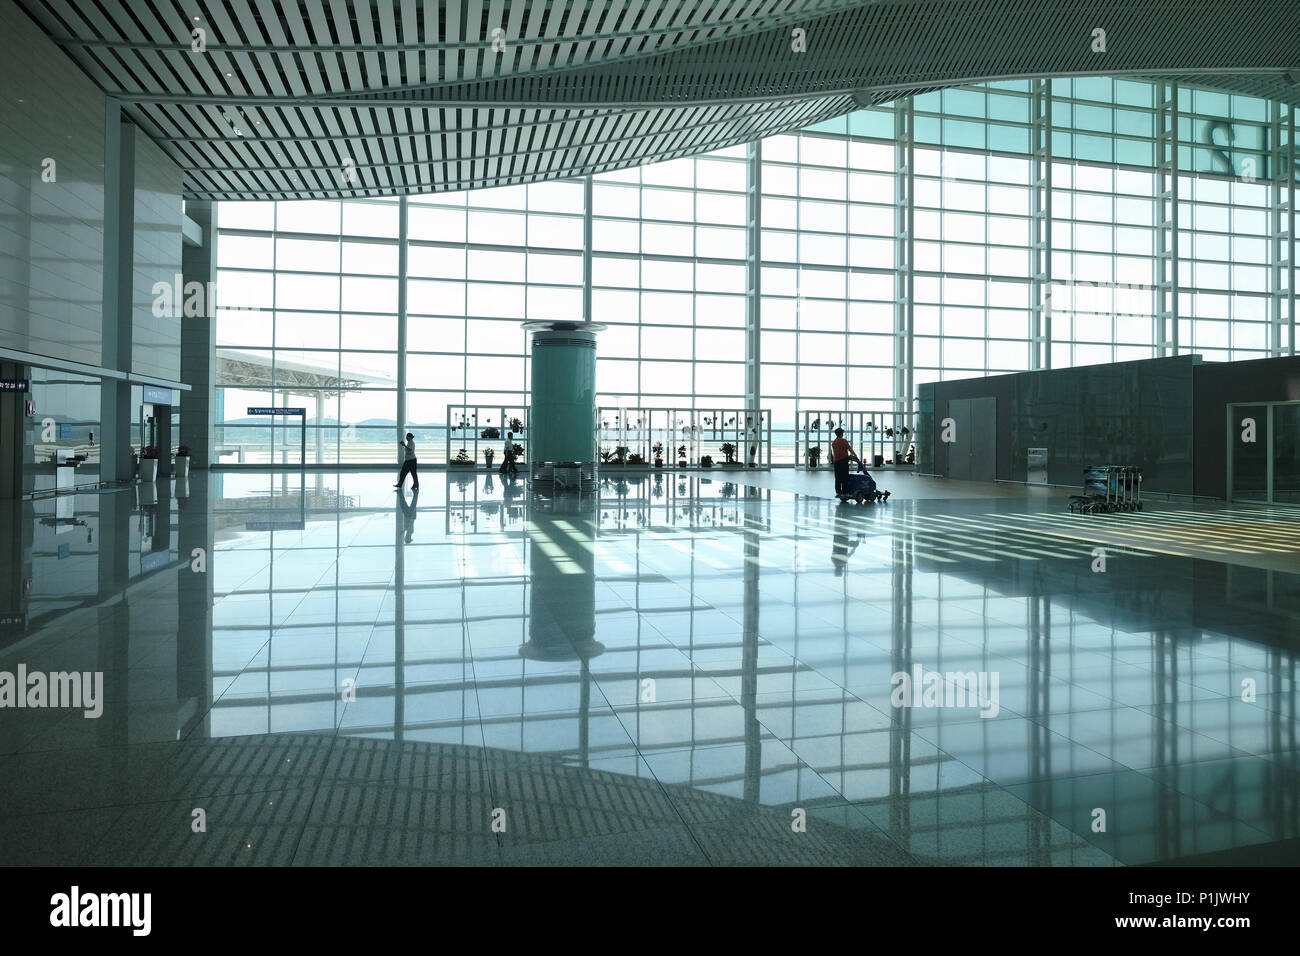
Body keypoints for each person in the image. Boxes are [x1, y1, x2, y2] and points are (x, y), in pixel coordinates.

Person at [830, 427, 860, 497]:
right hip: (843, 461)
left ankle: (838, 492)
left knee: (837, 477)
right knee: (844, 477)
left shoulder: (833, 443)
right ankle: (845, 492)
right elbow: (849, 449)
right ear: (841, 433)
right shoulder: (844, 441)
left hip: (836, 462)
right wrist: (855, 455)